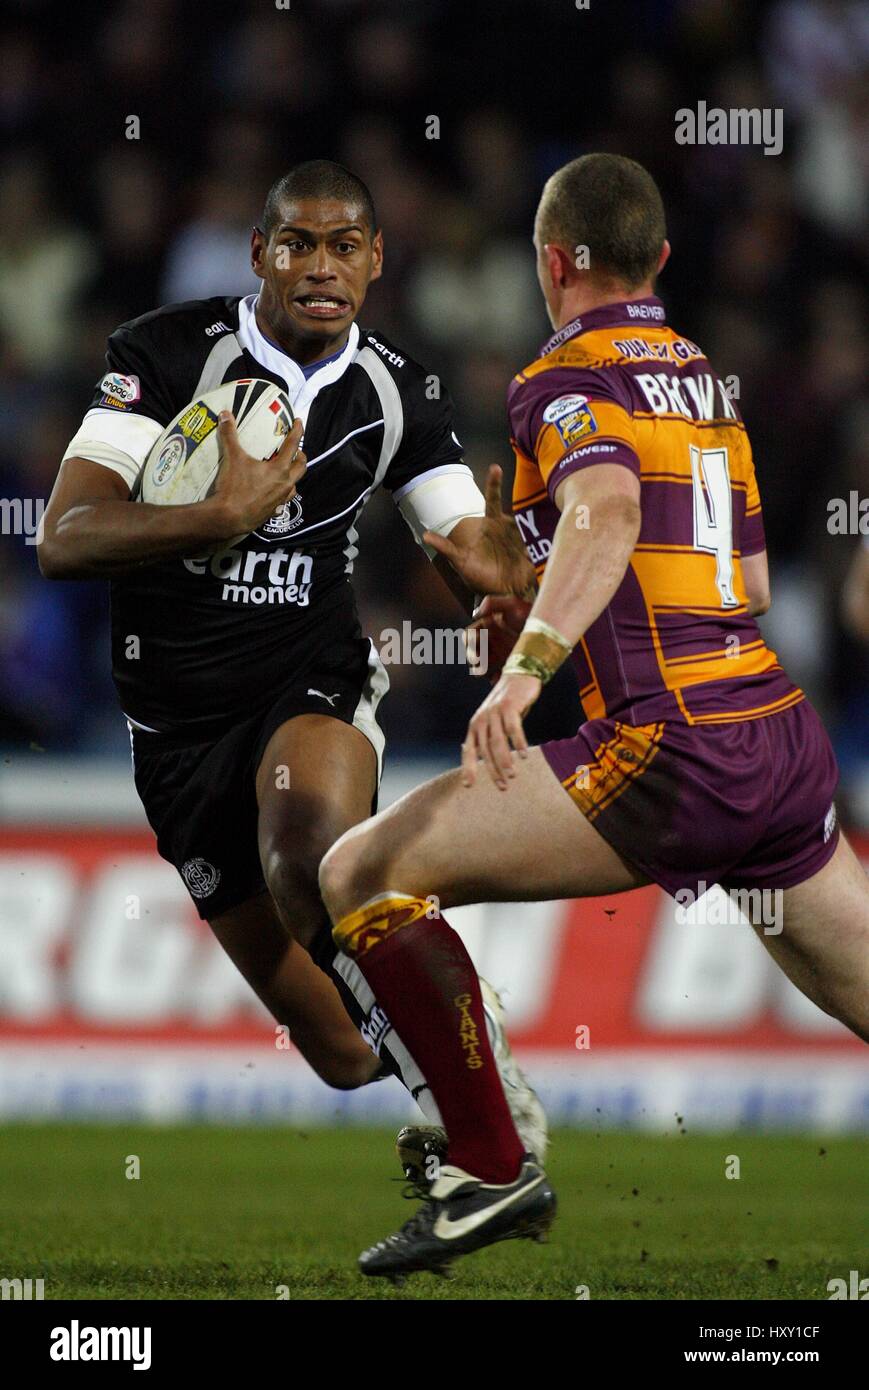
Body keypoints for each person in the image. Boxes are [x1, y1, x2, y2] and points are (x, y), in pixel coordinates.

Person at [318, 152, 869, 1280]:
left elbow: (608, 509)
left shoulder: (560, 377)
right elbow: (744, 580)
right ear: (658, 261)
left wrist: (527, 665)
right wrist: (536, 581)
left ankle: (491, 1156)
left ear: (550, 261)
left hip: (668, 748)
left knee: (359, 875)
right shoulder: (700, 375)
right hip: (774, 735)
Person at [38, 159, 546, 1166]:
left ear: (375, 259)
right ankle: (446, 1031)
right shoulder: (167, 353)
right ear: (260, 253)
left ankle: (489, 1117)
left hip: (307, 682)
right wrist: (217, 513)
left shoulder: (395, 388)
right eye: (298, 243)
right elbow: (64, 535)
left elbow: (464, 548)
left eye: (343, 244)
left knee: (304, 846)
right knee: (342, 1050)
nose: (321, 265)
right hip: (175, 735)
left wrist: (494, 583)